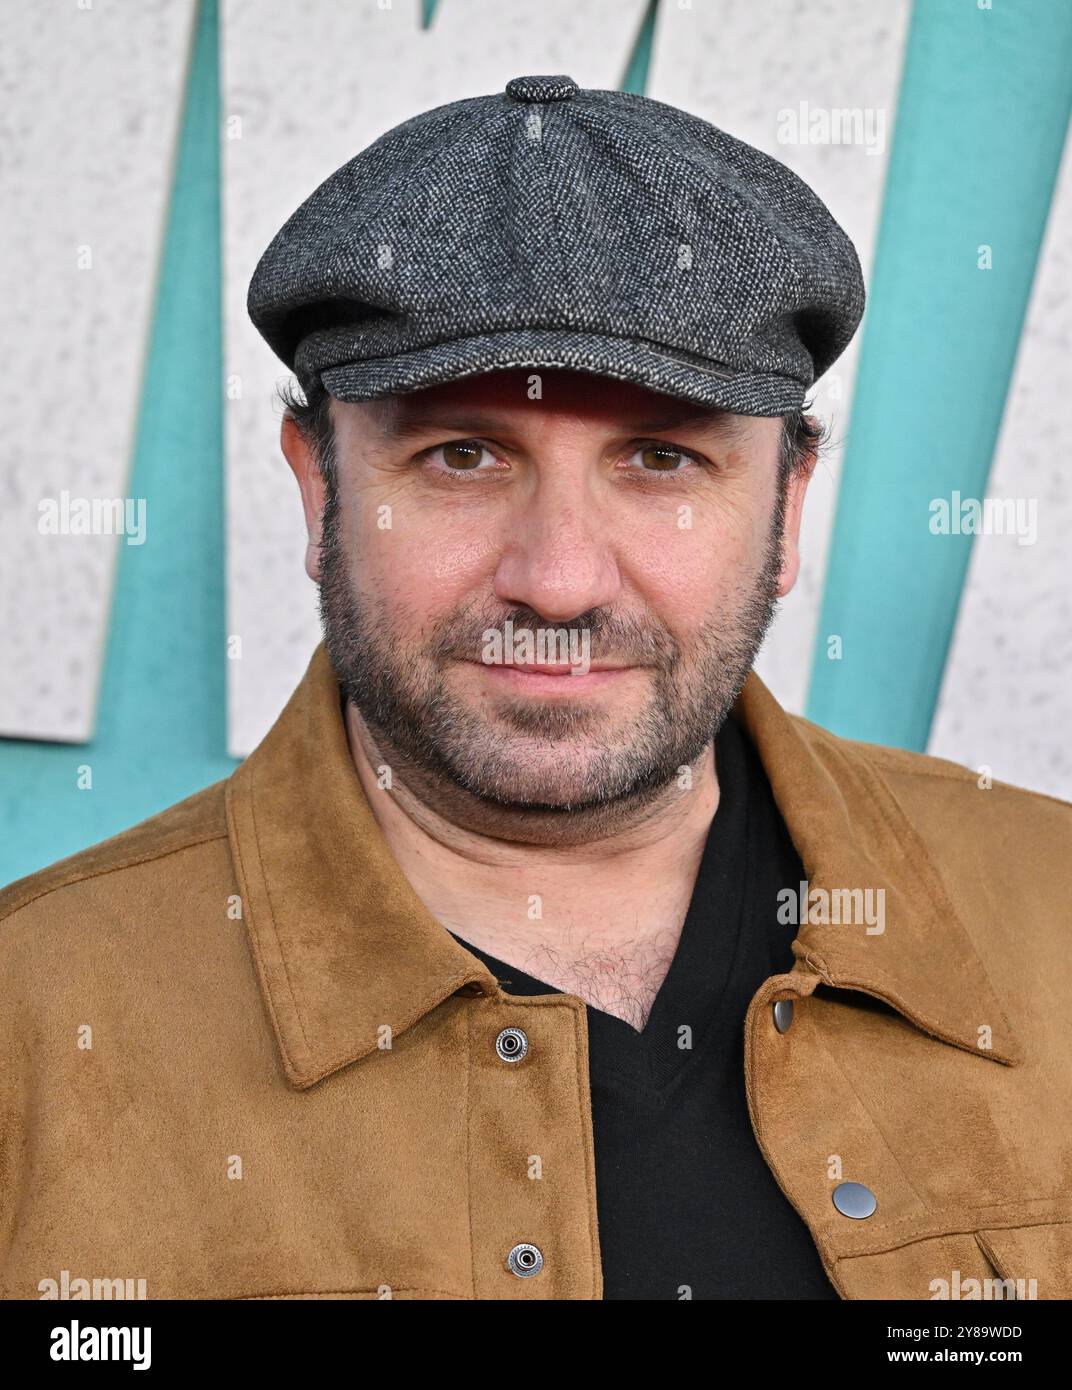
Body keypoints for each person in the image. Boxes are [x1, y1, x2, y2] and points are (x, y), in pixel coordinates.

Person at [2, 76, 1069, 1302]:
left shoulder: (1057, 917)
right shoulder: (28, 1025)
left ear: (786, 507)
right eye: (462, 455)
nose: (557, 581)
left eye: (661, 458)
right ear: (318, 489)